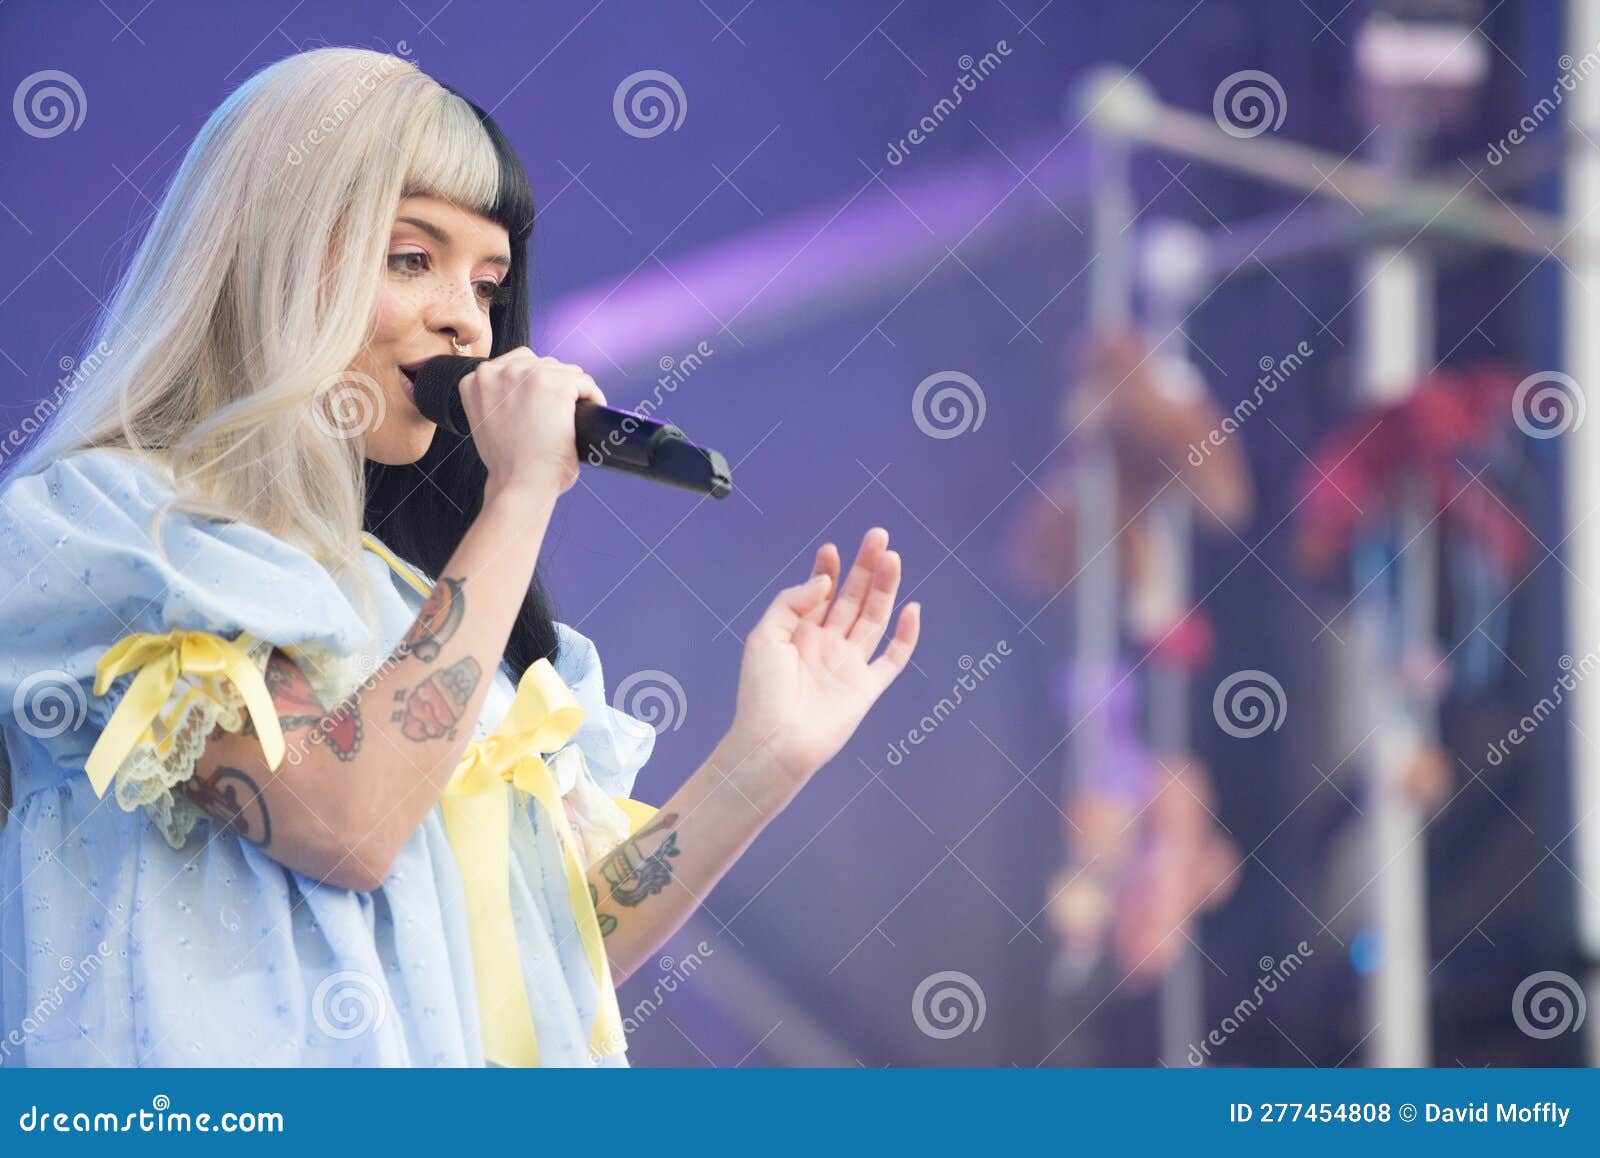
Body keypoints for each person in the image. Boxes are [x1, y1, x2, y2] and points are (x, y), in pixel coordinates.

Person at [0, 47, 920, 1067]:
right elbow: (346, 821)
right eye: (410, 259)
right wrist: (519, 492)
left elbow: (546, 946)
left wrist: (763, 759)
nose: (466, 322)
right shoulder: (109, 530)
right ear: (267, 253)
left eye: (488, 285)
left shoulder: (417, 607)